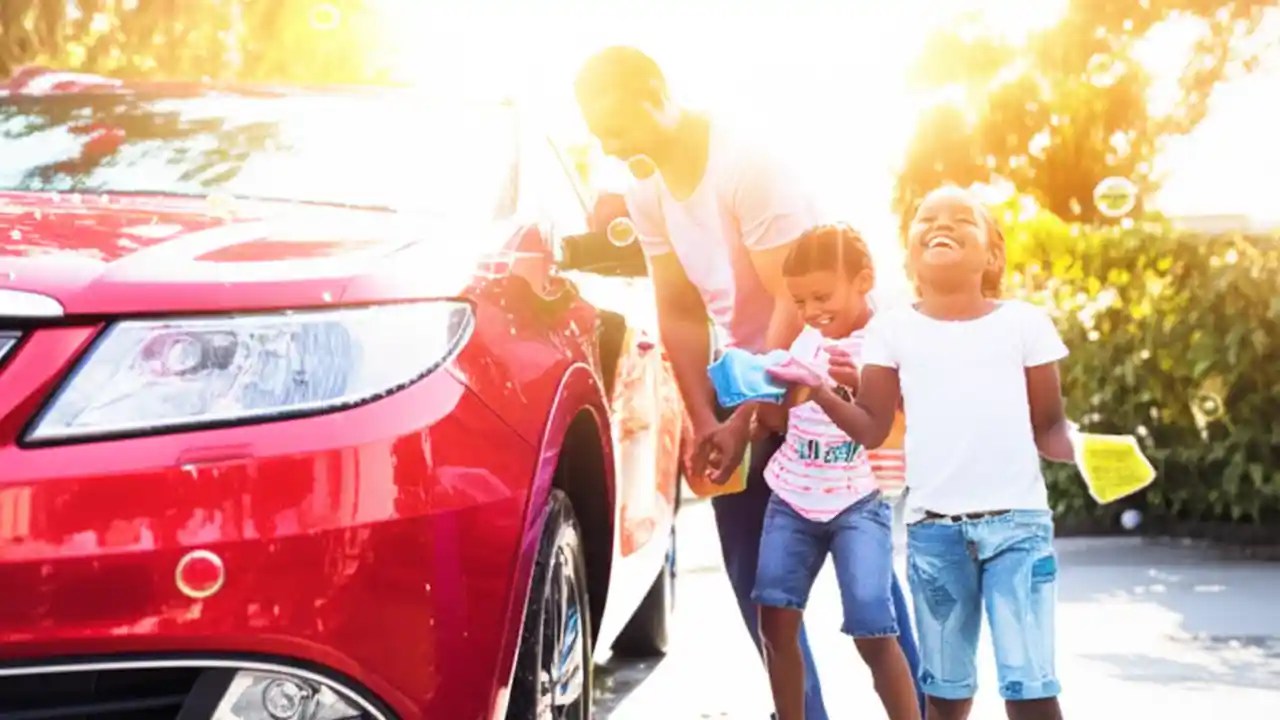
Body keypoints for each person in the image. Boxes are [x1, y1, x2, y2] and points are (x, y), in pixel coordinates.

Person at [573, 46, 924, 719]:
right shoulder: (648, 191)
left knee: (861, 567)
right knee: (755, 571)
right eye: (595, 130)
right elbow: (677, 309)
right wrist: (707, 420)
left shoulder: (745, 163)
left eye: (612, 124)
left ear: (655, 91)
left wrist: (750, 417)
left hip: (829, 364)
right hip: (756, 369)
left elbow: (800, 306)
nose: (606, 145)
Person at [768, 185, 1074, 720]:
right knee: (947, 694)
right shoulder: (891, 330)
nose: (943, 224)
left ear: (992, 253)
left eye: (962, 219)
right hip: (936, 533)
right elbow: (870, 427)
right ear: (909, 252)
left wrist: (1093, 454)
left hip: (1019, 529)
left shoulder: (1026, 323)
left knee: (1031, 685)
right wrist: (817, 388)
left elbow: (1049, 427)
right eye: (927, 218)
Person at [754, 224, 920, 720]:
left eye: (821, 296)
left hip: (856, 504)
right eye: (799, 300)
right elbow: (784, 416)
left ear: (863, 280)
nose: (809, 311)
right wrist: (762, 401)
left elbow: (878, 427)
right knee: (775, 623)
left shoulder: (886, 342)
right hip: (791, 499)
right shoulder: (806, 339)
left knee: (873, 629)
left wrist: (828, 388)